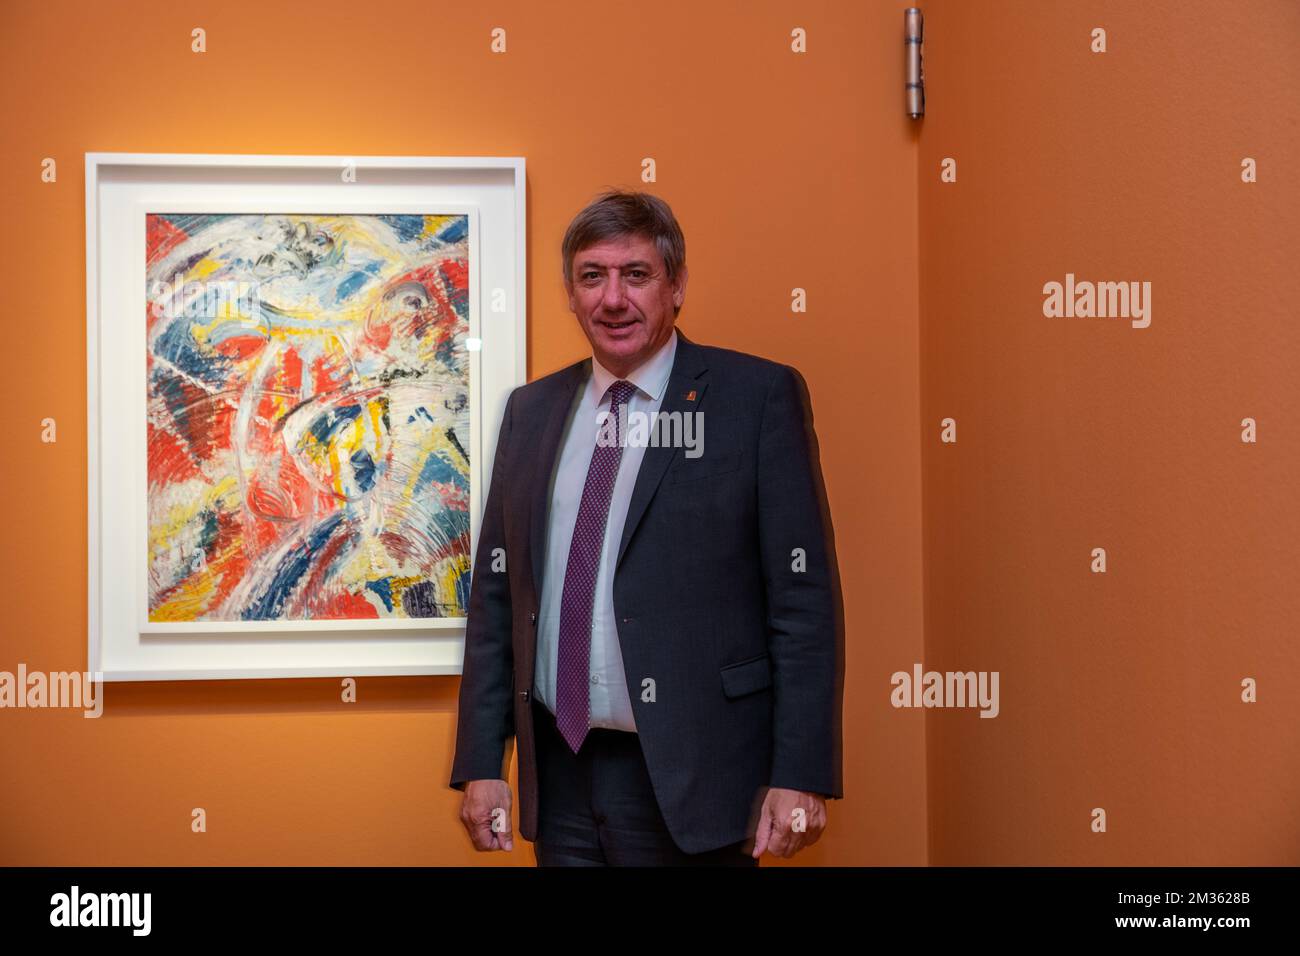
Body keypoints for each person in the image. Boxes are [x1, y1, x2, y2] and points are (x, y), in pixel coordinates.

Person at [449, 189, 843, 865]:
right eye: (591, 277)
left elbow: (803, 606)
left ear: (677, 286)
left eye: (636, 275)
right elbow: (496, 601)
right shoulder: (531, 411)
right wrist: (483, 760)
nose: (612, 299)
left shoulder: (755, 401)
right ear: (570, 294)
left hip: (700, 775)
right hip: (562, 773)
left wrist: (801, 772)